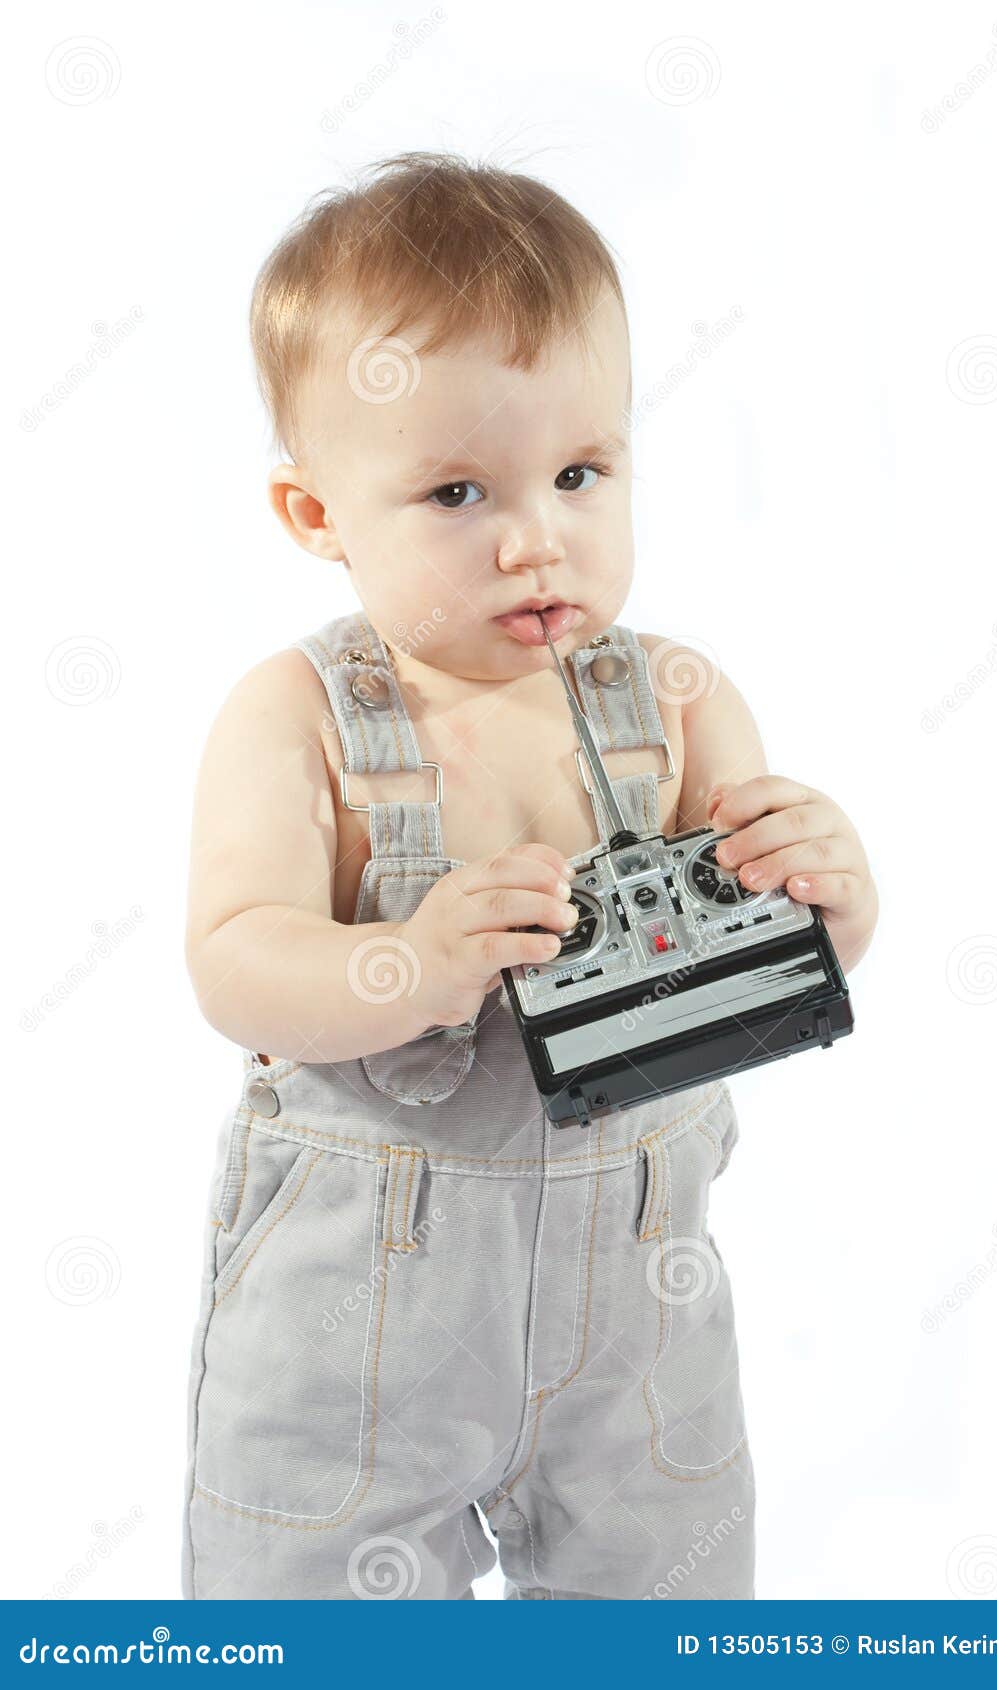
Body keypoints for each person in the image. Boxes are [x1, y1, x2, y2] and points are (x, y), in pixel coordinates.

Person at [181, 151, 878, 1601]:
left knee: (668, 1609)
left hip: (637, 1321)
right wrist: (408, 964)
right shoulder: (298, 715)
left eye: (579, 472)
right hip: (359, 1319)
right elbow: (234, 954)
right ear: (317, 516)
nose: (533, 537)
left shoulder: (679, 700)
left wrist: (832, 898)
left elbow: (766, 957)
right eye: (455, 490)